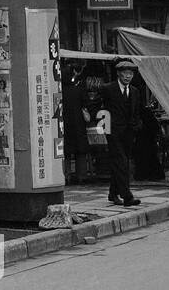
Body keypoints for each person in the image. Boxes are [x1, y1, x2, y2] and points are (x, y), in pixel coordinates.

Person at [102, 57, 143, 206]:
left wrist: (137, 125)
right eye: (125, 73)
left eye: (130, 74)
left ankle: (113, 194)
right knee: (121, 163)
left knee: (120, 164)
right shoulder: (108, 89)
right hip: (113, 132)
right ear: (118, 74)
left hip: (128, 133)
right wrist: (105, 126)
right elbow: (98, 107)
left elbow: (137, 111)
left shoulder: (135, 91)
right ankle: (127, 196)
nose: (127, 76)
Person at [60, 64, 92, 184]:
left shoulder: (60, 90)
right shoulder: (79, 89)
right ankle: (81, 176)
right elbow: (86, 104)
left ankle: (66, 175)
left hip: (64, 124)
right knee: (81, 151)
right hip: (78, 124)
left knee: (66, 152)